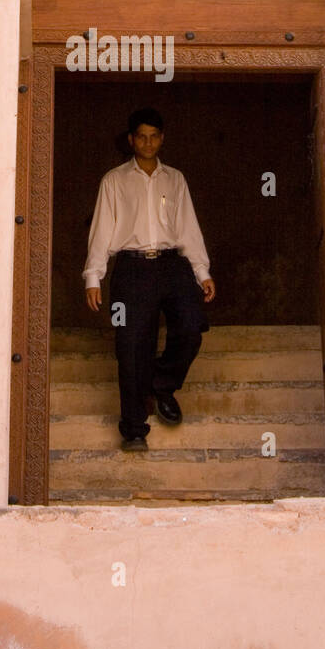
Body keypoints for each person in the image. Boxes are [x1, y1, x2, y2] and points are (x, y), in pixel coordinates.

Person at [83, 107, 216, 450]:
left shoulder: (175, 179)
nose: (148, 142)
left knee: (190, 327)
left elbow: (188, 227)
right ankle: (133, 429)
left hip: (173, 267)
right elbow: (101, 231)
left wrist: (202, 271)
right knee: (129, 347)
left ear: (162, 138)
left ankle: (160, 383)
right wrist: (93, 276)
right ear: (131, 140)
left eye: (154, 136)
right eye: (141, 136)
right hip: (131, 270)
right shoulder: (114, 180)